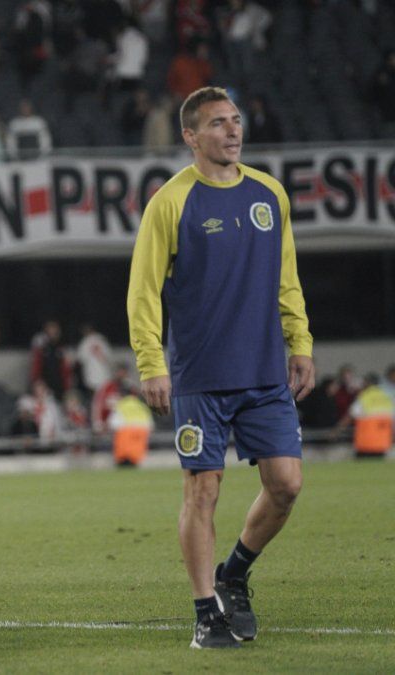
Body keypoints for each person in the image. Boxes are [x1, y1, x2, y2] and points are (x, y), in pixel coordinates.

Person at [127, 86, 314, 649]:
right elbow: (143, 292)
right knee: (202, 491)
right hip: (199, 378)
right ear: (190, 136)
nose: (233, 132)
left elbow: (286, 277)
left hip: (262, 372)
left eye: (236, 121)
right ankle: (206, 614)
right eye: (217, 124)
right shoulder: (171, 202)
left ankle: (234, 572)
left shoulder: (269, 194)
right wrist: (151, 362)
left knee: (286, 485)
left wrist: (299, 341)